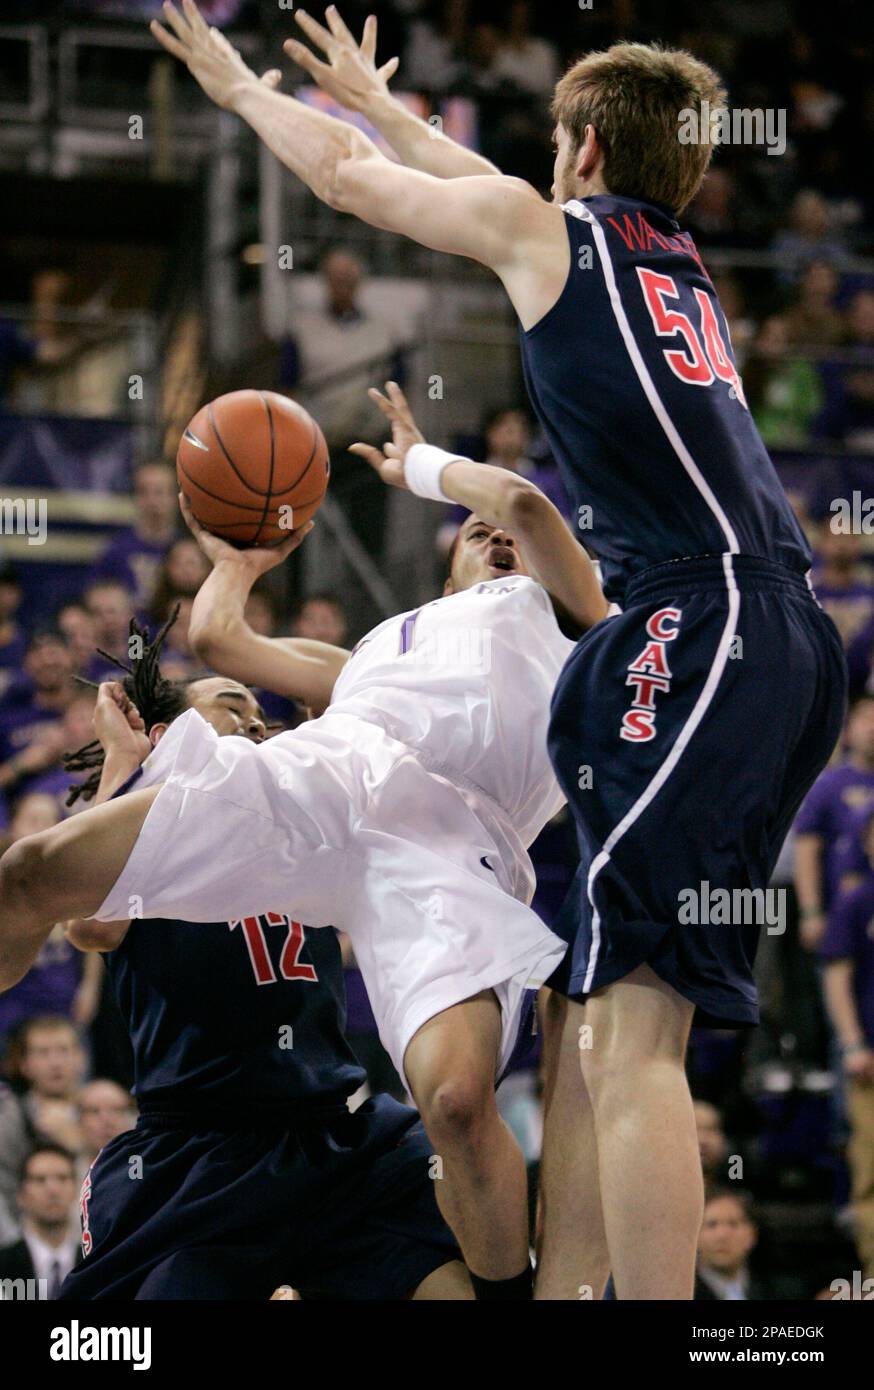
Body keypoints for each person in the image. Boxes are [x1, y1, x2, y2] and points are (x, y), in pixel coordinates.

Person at [146, 2, 846, 1301]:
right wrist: (381, 101)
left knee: (629, 1033)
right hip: (775, 634)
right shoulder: (665, 253)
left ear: (577, 148)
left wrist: (243, 88)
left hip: (705, 617)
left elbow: (355, 184)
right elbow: (475, 184)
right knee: (607, 1018)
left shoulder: (552, 232)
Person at [0, 369, 609, 1299]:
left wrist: (426, 467)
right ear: (443, 571)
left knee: (453, 1101)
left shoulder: (572, 623)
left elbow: (522, 501)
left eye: (507, 537)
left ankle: (503, 1292)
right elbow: (221, 638)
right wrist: (239, 552)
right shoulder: (377, 651)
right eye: (474, 534)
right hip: (327, 779)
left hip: (449, 840)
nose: (496, 535)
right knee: (31, 872)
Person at [57, 638, 470, 1301]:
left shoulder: (301, 814)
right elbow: (91, 924)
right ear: (168, 737)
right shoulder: (150, 830)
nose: (255, 723)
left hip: (329, 1134)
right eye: (231, 707)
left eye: (261, 717)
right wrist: (124, 763)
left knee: (451, 1271)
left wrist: (307, 686)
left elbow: (358, 705)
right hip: (201, 1149)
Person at [820, 809, 874, 1281]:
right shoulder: (857, 901)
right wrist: (853, 1043)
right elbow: (837, 977)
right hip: (869, 1063)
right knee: (870, 1173)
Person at [793, 696, 874, 950]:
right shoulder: (829, 785)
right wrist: (811, 911)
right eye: (866, 718)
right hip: (840, 914)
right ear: (847, 730)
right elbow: (807, 848)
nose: (873, 726)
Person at [89, 462, 179, 612]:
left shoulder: (187, 551)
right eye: (143, 492)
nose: (152, 500)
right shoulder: (116, 550)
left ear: (175, 497)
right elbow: (93, 596)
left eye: (159, 492)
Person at [0, 1144, 80, 1298]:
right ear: (21, 1194)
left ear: (76, 1190)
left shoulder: (97, 1266)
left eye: (62, 1178)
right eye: (40, 1180)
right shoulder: (3, 1266)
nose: (53, 1189)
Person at [694, 1188, 769, 1301]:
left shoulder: (779, 1292)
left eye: (733, 1224)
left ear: (751, 1235)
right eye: (711, 1225)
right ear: (695, 1236)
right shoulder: (681, 1293)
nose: (722, 1235)